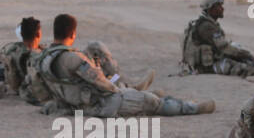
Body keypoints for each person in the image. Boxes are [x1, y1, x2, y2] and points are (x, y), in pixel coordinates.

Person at [35, 14, 212, 117]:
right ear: (73, 33)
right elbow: (102, 84)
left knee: (94, 47)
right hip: (98, 104)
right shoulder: (72, 59)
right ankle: (192, 108)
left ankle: (127, 83)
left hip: (72, 99)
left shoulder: (44, 57)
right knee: (150, 101)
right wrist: (123, 91)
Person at [181, 0, 254, 77]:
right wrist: (248, 55)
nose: (222, 8)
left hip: (206, 63)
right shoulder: (206, 26)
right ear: (211, 9)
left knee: (241, 55)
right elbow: (224, 48)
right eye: (218, 6)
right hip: (205, 68)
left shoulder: (206, 23)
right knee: (248, 69)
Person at [0, 16, 44, 102]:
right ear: (38, 34)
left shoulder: (13, 51)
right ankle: (79, 115)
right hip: (34, 94)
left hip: (19, 90)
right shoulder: (37, 55)